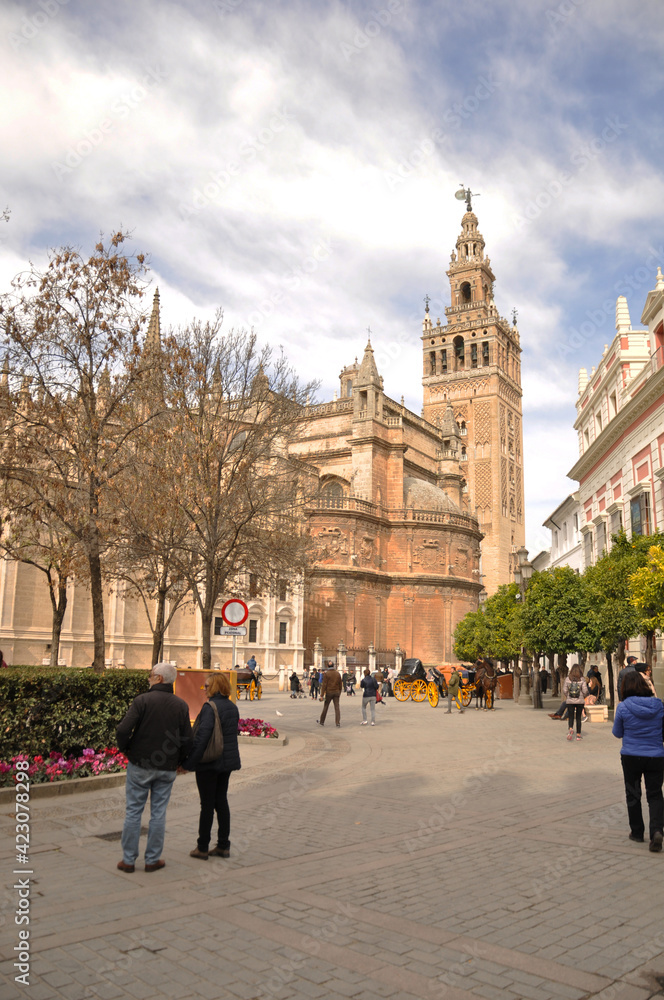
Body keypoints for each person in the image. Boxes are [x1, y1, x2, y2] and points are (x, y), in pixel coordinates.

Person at [115, 663, 192, 873]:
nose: (148, 678)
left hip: (139, 764)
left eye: (150, 675)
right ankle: (152, 859)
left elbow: (123, 730)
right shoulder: (180, 705)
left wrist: (127, 749)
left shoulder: (142, 701)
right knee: (158, 813)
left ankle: (128, 860)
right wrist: (183, 762)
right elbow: (187, 738)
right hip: (166, 767)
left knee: (133, 811)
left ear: (158, 678)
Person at [181, 672, 241, 860]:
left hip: (209, 762)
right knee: (221, 802)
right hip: (227, 762)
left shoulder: (210, 707)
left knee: (206, 805)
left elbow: (201, 738)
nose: (204, 689)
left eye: (207, 686)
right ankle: (223, 845)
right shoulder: (232, 706)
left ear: (215, 687)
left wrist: (189, 764)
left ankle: (202, 847)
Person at [612, 670, 664, 852]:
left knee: (633, 794)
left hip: (631, 756)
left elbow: (617, 732)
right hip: (656, 756)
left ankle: (637, 832)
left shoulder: (624, 707)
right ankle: (657, 830)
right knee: (655, 794)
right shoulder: (659, 705)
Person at [562, 664, 588, 741]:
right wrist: (582, 696)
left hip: (570, 701)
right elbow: (585, 690)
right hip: (580, 701)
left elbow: (564, 690)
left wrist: (568, 696)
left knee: (571, 716)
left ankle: (570, 729)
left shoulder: (568, 679)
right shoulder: (582, 679)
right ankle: (578, 735)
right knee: (578, 717)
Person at [316, 660, 342, 727]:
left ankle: (322, 721)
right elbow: (340, 684)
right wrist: (339, 692)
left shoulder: (327, 674)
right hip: (336, 692)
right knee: (337, 707)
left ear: (327, 666)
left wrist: (322, 694)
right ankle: (337, 722)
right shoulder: (337, 673)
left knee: (326, 706)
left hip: (329, 692)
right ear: (333, 666)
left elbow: (324, 685)